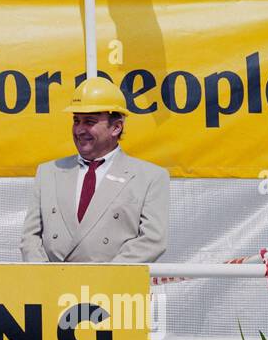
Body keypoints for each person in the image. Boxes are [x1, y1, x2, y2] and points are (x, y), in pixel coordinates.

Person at [20, 76, 168, 264]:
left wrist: (102, 281)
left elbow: (152, 241)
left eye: (89, 121)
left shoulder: (150, 177)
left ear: (116, 127)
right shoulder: (48, 173)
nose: (79, 130)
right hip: (53, 287)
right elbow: (30, 238)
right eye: (76, 121)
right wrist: (46, 278)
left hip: (111, 290)